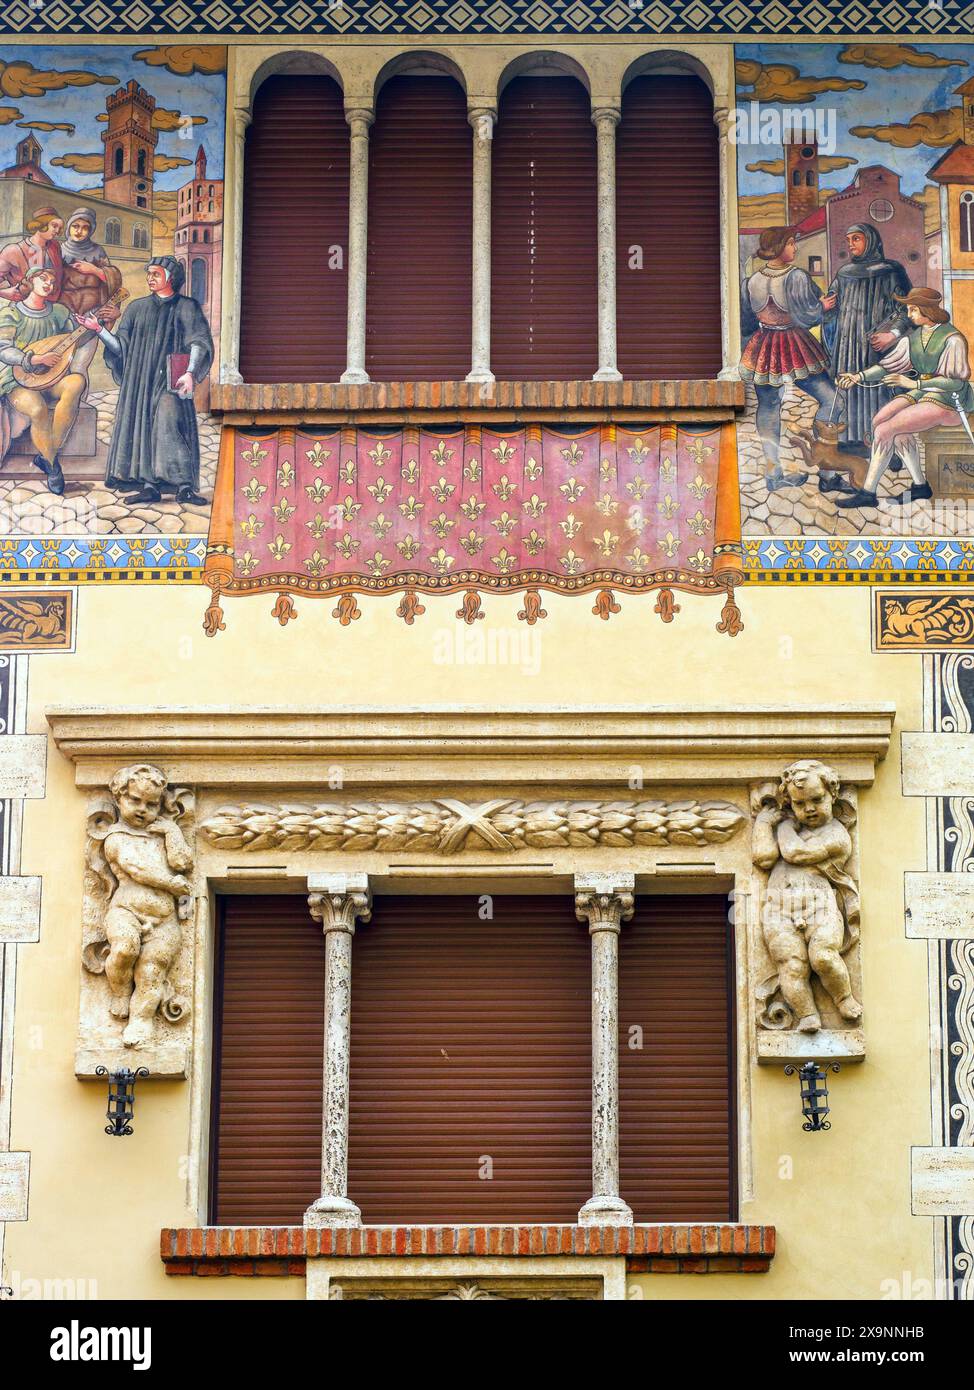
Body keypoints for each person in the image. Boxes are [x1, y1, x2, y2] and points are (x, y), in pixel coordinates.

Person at [77, 256, 213, 505]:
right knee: (144, 427)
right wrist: (99, 330)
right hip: (141, 382)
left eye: (155, 274)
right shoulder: (136, 308)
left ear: (170, 277)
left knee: (168, 422)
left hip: (172, 380)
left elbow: (199, 341)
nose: (150, 278)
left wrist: (191, 372)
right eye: (148, 274)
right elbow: (121, 348)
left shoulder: (186, 306)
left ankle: (184, 486)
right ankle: (150, 486)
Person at [835, 287, 974, 509]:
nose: (908, 315)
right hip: (923, 393)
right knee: (879, 420)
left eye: (913, 309)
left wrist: (914, 384)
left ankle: (867, 492)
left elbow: (956, 382)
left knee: (884, 431)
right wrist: (857, 376)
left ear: (927, 310)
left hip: (949, 400)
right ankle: (920, 487)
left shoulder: (952, 339)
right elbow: (886, 366)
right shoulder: (914, 337)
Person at [752, 759, 861, 1034]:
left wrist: (784, 827)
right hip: (779, 913)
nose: (809, 809)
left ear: (832, 796)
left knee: (822, 955)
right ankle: (807, 1014)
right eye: (799, 804)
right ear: (789, 802)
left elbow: (795, 853)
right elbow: (764, 857)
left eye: (817, 800)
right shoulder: (785, 830)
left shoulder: (837, 835)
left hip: (820, 909)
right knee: (791, 965)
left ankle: (843, 997)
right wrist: (764, 824)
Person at [740, 226, 851, 494]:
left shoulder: (751, 281)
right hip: (794, 344)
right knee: (832, 399)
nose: (795, 248)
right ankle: (827, 472)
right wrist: (822, 307)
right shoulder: (796, 277)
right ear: (779, 247)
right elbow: (810, 315)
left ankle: (773, 473)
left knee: (768, 407)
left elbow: (746, 323)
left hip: (763, 346)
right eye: (791, 243)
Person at [823, 223, 911, 452]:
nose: (850, 245)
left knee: (880, 394)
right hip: (848, 347)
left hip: (878, 347)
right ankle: (851, 444)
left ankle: (885, 445)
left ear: (870, 240)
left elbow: (906, 309)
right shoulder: (844, 273)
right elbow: (831, 305)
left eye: (856, 239)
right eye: (848, 239)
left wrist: (892, 335)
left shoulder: (891, 271)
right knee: (849, 391)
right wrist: (826, 307)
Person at [0, 265, 85, 494]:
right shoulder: (12, 312)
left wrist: (95, 327)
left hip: (52, 378)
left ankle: (47, 455)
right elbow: (4, 349)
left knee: (77, 381)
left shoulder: (59, 312)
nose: (48, 283)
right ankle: (53, 465)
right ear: (30, 281)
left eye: (51, 280)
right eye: (43, 279)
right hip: (18, 379)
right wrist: (34, 359)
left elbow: (74, 341)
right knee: (37, 410)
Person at [58, 208, 122, 373]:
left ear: (91, 230)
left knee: (80, 367)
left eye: (85, 227)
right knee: (60, 367)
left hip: (92, 317)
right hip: (64, 319)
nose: (79, 231)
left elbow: (113, 282)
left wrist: (94, 270)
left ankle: (80, 399)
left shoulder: (98, 252)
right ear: (69, 227)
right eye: (76, 226)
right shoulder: (58, 251)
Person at [0, 208, 65, 303]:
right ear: (41, 224)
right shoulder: (13, 251)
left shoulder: (55, 246)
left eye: (59, 228)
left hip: (52, 304)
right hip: (23, 305)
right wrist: (3, 293)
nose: (57, 231)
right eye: (54, 226)